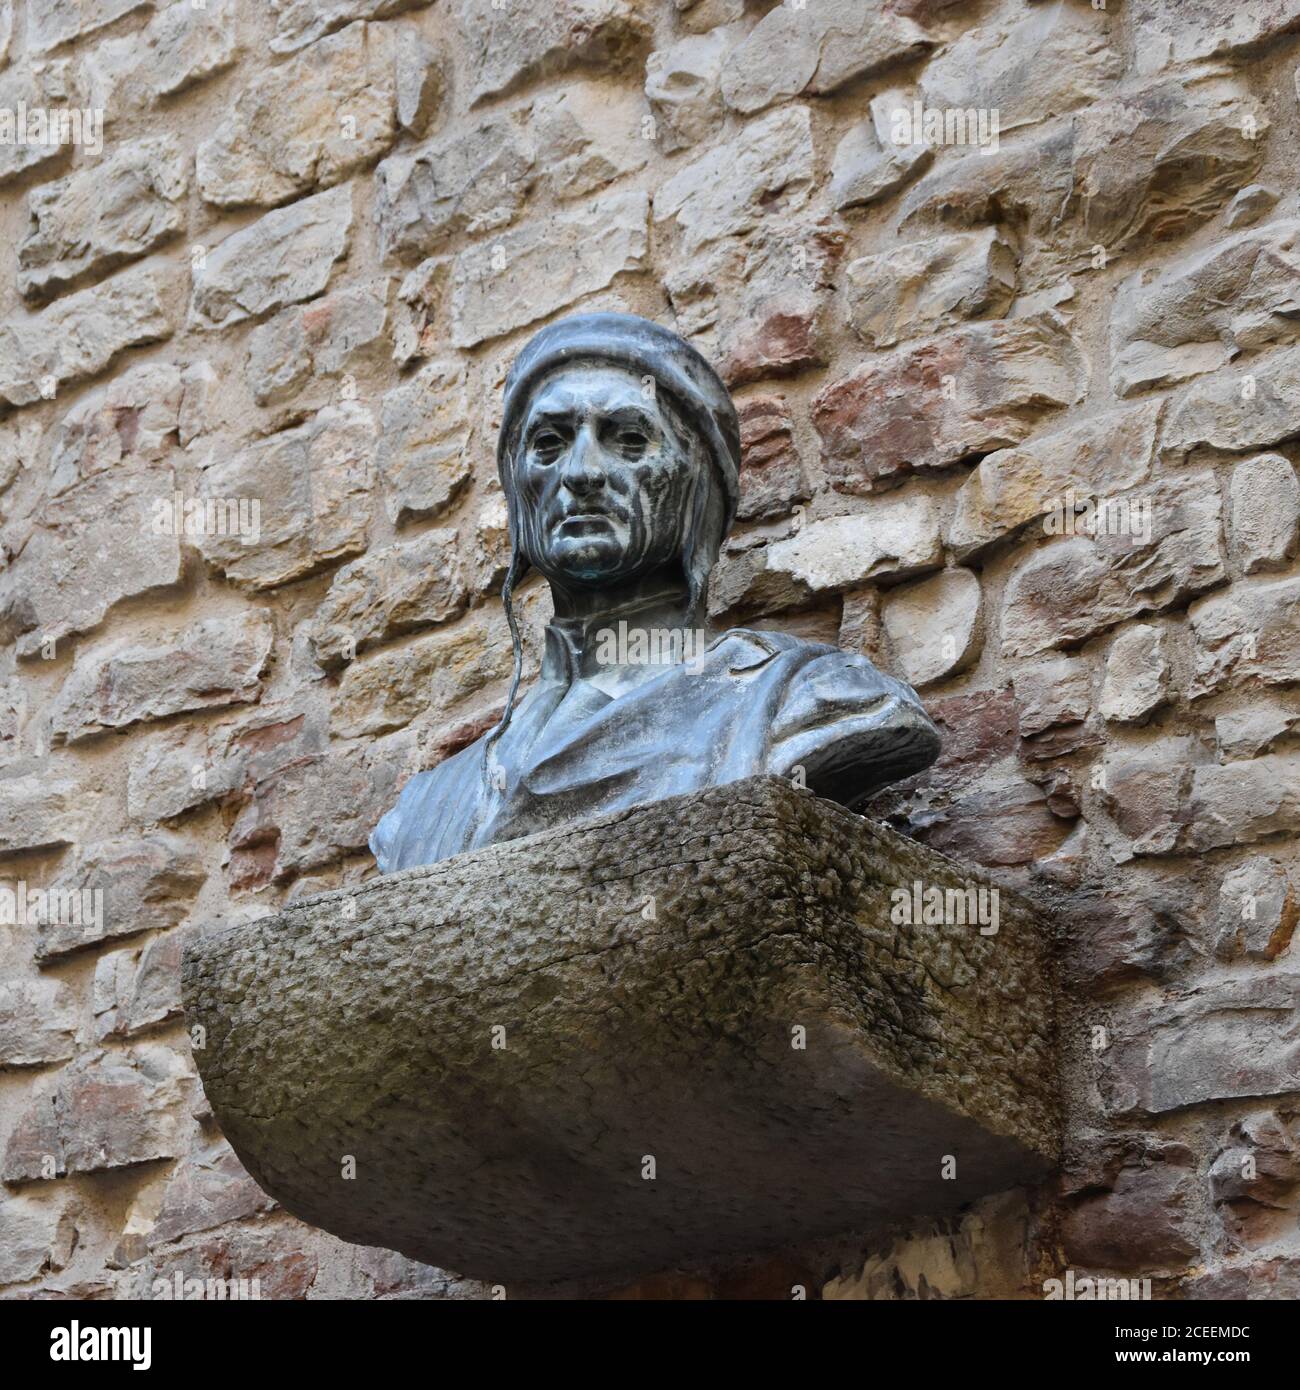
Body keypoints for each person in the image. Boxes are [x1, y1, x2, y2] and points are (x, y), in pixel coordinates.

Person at [371, 312, 940, 871]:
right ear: (519, 492)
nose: (581, 472)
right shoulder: (422, 812)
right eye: (548, 443)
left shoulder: (805, 702)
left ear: (699, 486)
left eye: (628, 438)